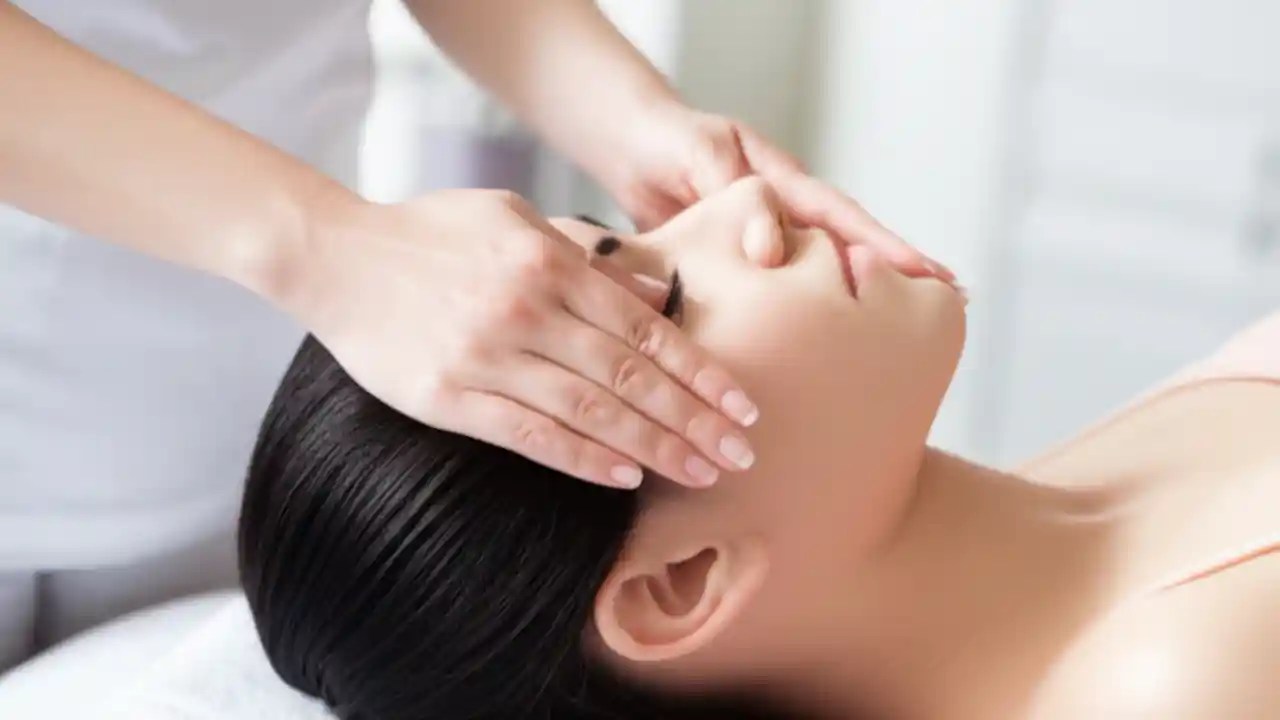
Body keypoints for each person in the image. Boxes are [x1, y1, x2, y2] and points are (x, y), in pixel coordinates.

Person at [0, 178, 1277, 718]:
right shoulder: (1178, 681)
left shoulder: (1088, 510)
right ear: (676, 586)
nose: (744, 211)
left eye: (625, 232)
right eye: (653, 304)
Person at [0, 0, 955, 670]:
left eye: (630, 258)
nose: (749, 204)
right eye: (658, 312)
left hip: (232, 429)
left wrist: (636, 124)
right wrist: (324, 246)